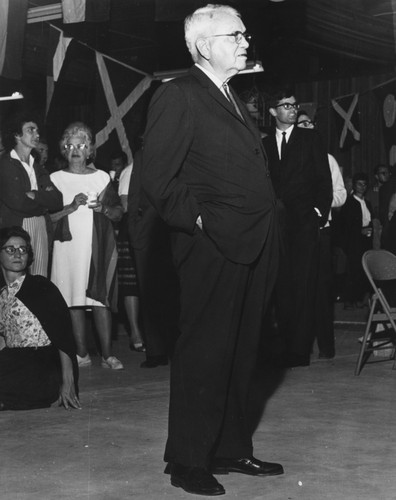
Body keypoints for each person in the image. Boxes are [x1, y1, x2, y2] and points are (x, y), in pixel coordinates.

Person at [141, 4, 282, 496]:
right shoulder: (178, 95)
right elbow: (157, 177)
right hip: (213, 245)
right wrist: (201, 220)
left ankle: (228, 448)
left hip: (255, 242)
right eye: (234, 35)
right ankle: (187, 459)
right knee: (204, 351)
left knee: (243, 349)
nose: (246, 41)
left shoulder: (230, 95)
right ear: (204, 45)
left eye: (245, 34)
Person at [263, 90, 332, 367]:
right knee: (280, 288)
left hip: (304, 224)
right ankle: (283, 347)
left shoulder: (310, 138)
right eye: (286, 106)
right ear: (272, 112)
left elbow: (323, 180)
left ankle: (299, 351)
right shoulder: (265, 145)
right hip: (275, 227)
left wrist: (317, 213)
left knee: (303, 287)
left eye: (295, 106)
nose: (292, 110)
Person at [49, 122, 124, 370]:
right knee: (73, 299)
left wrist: (102, 208)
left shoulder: (102, 177)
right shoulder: (54, 179)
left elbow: (118, 213)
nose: (75, 149)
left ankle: (107, 355)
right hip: (67, 248)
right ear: (63, 149)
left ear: (90, 149)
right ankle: (81, 353)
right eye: (70, 145)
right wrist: (69, 207)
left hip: (97, 247)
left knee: (100, 301)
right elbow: (46, 219)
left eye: (81, 144)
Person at [0, 226, 80, 411]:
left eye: (23, 249)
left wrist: (68, 382)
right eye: (10, 249)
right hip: (14, 360)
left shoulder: (41, 287)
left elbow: (64, 339)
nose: (17, 254)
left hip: (41, 364)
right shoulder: (3, 295)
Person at [297, 111, 347, 360]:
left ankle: (326, 347)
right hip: (294, 234)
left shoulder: (328, 160)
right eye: (301, 123)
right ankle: (298, 348)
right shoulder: (288, 157)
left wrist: (319, 206)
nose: (307, 126)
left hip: (320, 232)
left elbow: (341, 195)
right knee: (297, 290)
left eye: (310, 123)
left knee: (321, 290)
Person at [128, 148, 179, 368]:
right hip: (148, 232)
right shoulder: (144, 153)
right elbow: (134, 194)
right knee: (150, 291)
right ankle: (156, 351)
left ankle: (179, 349)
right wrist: (135, 231)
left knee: (178, 292)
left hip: (179, 230)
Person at [0, 113, 63, 277]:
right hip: (17, 225)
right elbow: (19, 203)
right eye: (30, 130)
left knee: (39, 275)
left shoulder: (37, 166)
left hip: (40, 224)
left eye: (37, 131)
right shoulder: (5, 164)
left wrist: (35, 194)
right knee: (16, 275)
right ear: (17, 135)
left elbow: (57, 201)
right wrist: (43, 202)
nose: (37, 135)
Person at [110, 150, 145, 352]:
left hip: (153, 231)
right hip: (132, 230)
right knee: (131, 284)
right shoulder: (129, 172)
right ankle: (135, 332)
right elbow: (124, 206)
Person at [339, 172, 373, 309]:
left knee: (364, 271)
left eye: (364, 184)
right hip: (353, 242)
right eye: (359, 184)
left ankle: (361, 298)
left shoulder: (367, 203)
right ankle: (349, 300)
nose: (362, 187)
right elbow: (344, 226)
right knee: (353, 270)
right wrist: (359, 231)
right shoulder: (349, 203)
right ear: (354, 185)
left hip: (365, 241)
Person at [366, 164, 390, 249]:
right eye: (383, 173)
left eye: (388, 173)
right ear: (376, 176)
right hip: (377, 224)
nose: (386, 175)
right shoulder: (371, 191)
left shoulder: (391, 189)